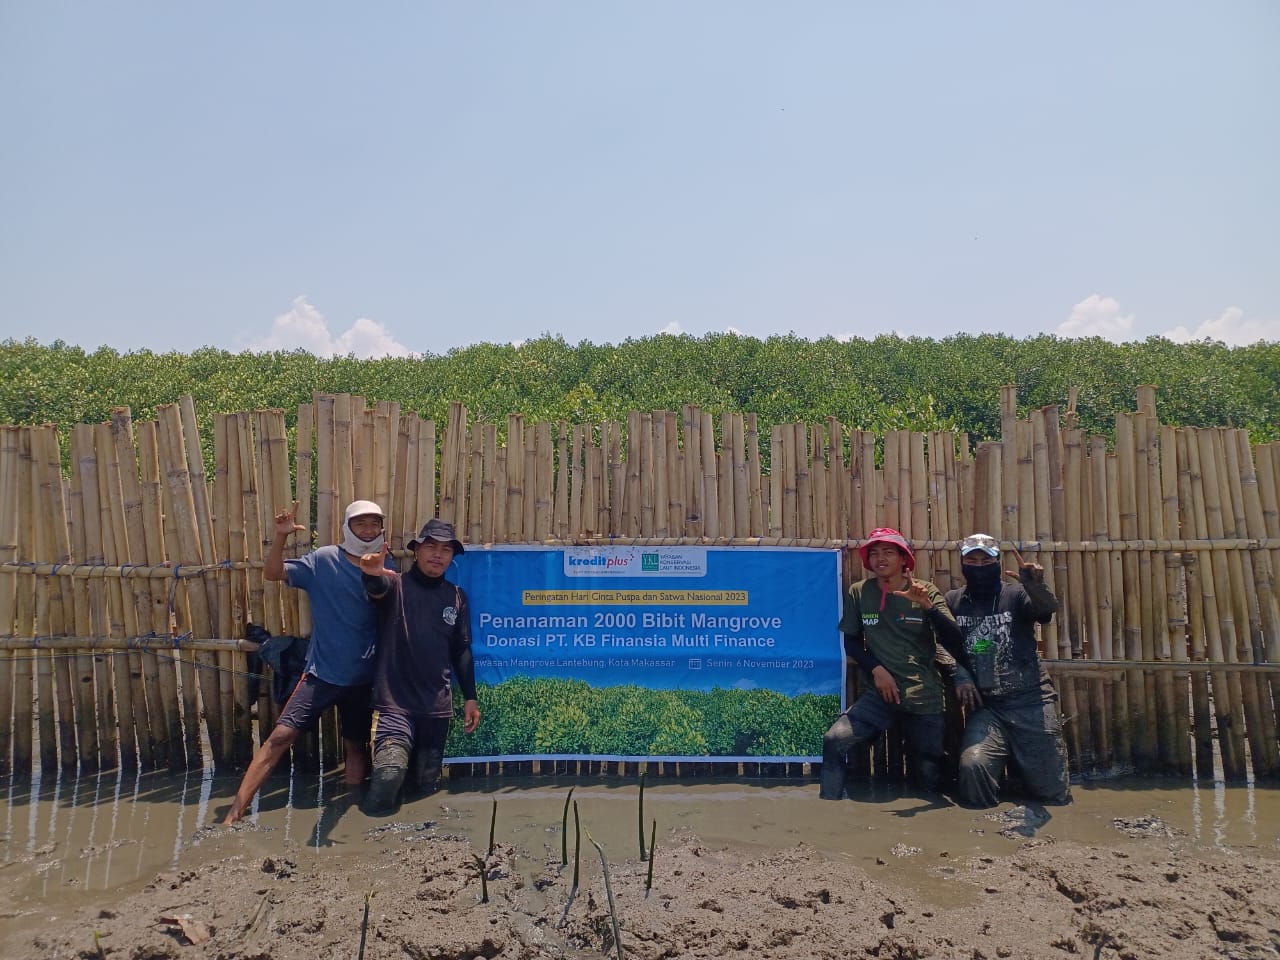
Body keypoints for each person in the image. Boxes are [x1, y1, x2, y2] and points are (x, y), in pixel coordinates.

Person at [223, 499, 387, 825]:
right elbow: (273, 573)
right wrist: (280, 536)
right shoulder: (324, 559)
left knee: (356, 745)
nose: (368, 531)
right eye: (361, 524)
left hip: (363, 677)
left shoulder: (385, 562)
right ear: (348, 526)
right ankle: (232, 816)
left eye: (374, 524)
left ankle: (349, 814)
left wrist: (379, 572)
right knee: (280, 737)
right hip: (322, 674)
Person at [819, 527, 970, 799]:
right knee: (834, 741)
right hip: (879, 695)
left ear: (904, 559)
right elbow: (851, 641)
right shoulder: (860, 592)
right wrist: (877, 671)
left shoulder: (926, 591)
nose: (880, 558)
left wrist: (928, 607)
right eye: (874, 553)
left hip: (923, 695)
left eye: (888, 552)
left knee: (928, 771)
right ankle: (827, 813)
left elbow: (955, 641)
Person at [359, 518, 481, 814]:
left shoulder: (456, 597)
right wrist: (371, 575)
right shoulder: (395, 586)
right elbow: (376, 589)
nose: (438, 555)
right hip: (394, 704)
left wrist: (470, 697)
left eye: (445, 549)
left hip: (436, 708)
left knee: (427, 788)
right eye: (431, 547)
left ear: (452, 557)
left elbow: (461, 651)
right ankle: (368, 836)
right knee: (389, 773)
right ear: (417, 551)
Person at [945, 533, 1071, 808]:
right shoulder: (953, 600)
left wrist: (1035, 584)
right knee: (973, 768)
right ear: (962, 563)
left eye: (985, 560)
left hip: (1032, 702)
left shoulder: (1015, 594)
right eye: (971, 559)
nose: (978, 566)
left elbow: (1046, 610)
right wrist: (961, 673)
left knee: (1053, 795)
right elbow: (937, 643)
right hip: (988, 709)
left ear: (997, 562)